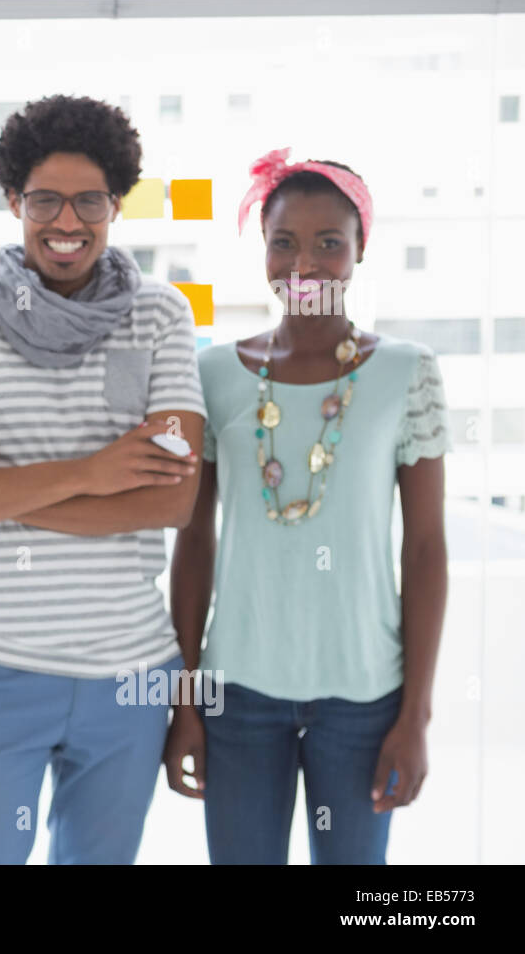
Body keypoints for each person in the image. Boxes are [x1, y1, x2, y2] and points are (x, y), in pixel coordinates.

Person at [0, 94, 206, 864]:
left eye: (89, 199)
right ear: (12, 200)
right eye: (44, 199)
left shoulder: (162, 314)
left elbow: (173, 499)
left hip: (130, 680)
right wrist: (94, 474)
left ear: (117, 203)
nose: (68, 221)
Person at [166, 148, 451, 864]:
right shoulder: (212, 374)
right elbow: (193, 544)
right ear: (262, 249)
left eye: (330, 243)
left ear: (360, 251)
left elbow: (426, 550)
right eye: (284, 242)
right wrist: (186, 701)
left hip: (364, 701)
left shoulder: (405, 372)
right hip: (238, 699)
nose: (306, 265)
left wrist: (415, 715)